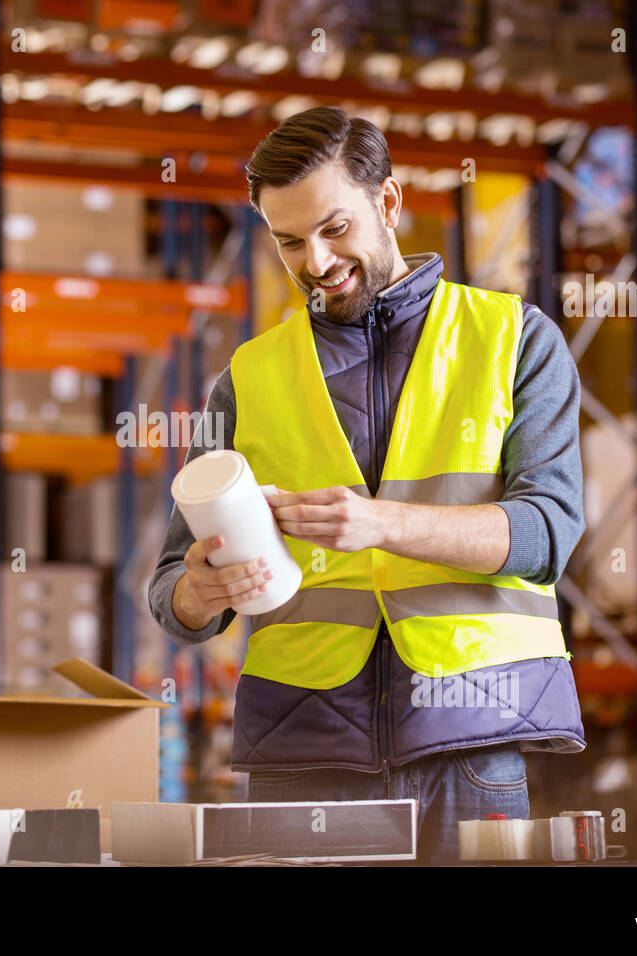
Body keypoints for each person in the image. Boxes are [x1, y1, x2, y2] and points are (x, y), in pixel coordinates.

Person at [148, 106, 587, 864]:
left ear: (387, 204)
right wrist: (199, 595)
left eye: (334, 228)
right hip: (302, 756)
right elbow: (171, 590)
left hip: (470, 746)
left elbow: (548, 531)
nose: (315, 260)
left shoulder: (514, 341)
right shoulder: (247, 381)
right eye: (288, 241)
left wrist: (381, 524)